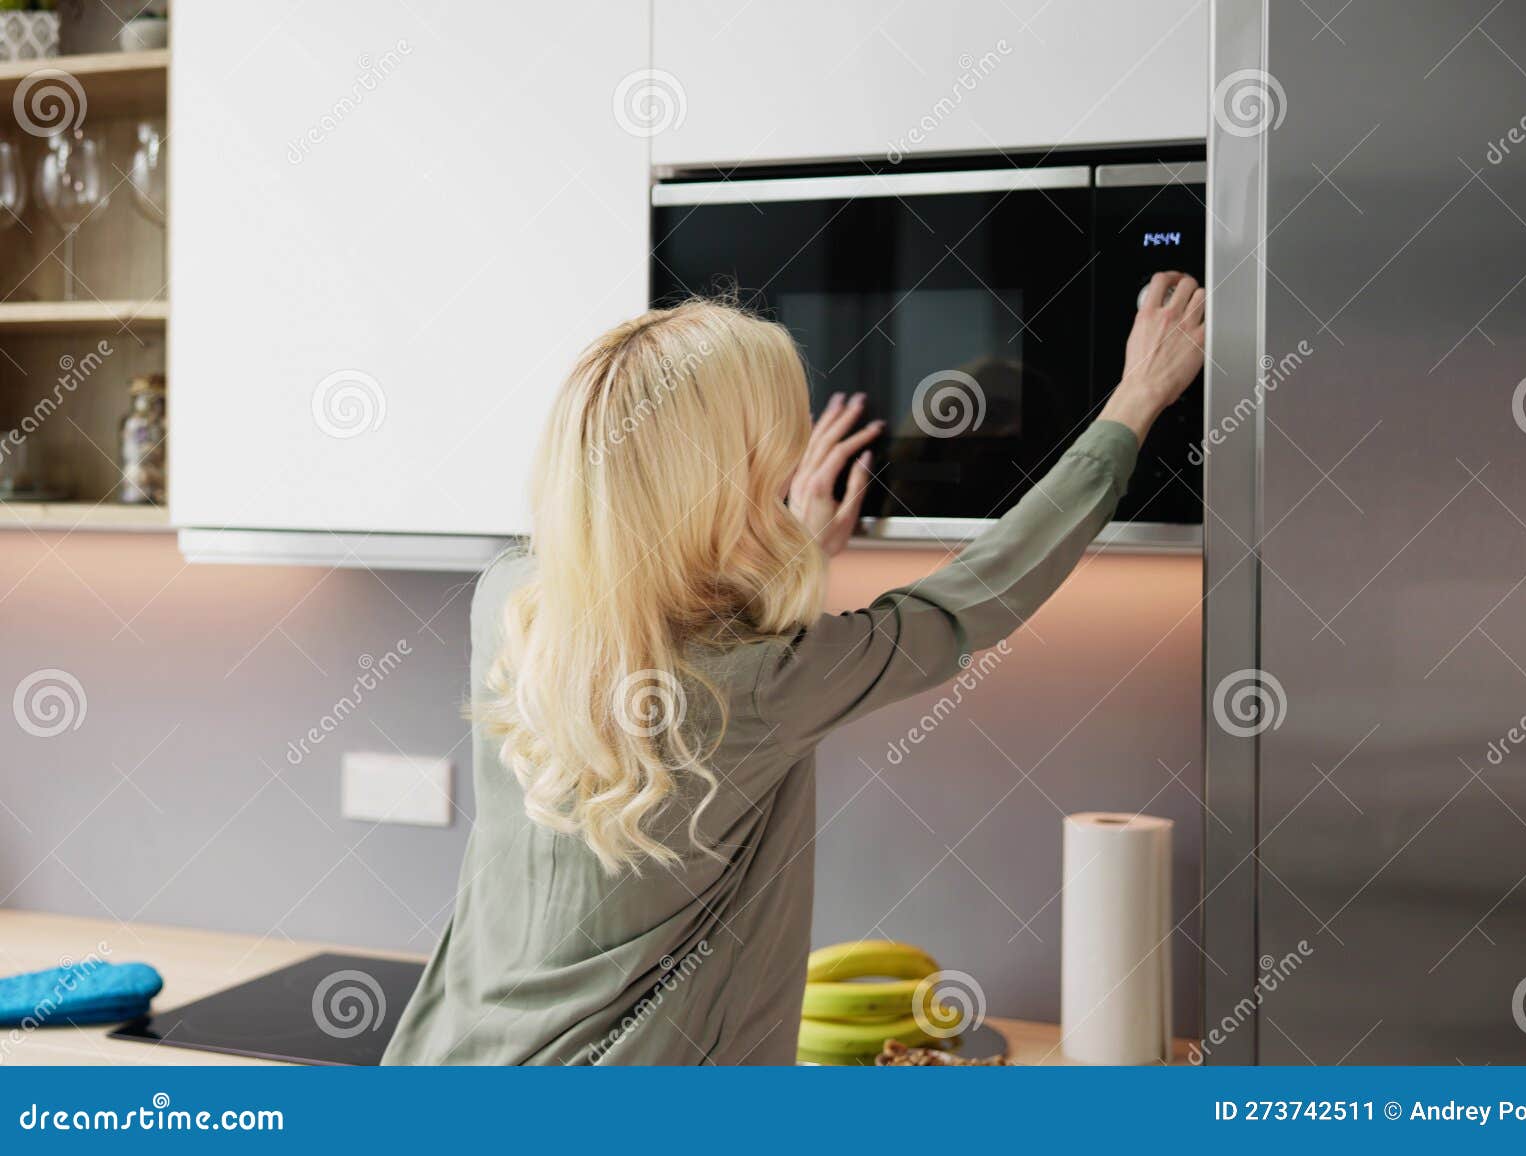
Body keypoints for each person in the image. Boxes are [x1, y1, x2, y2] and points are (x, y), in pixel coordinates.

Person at [383, 273, 1206, 1065]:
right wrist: (1135, 401)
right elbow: (969, 602)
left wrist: (795, 549)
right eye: (773, 451)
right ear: (732, 482)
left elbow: (659, 636)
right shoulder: (763, 683)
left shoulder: (510, 603)